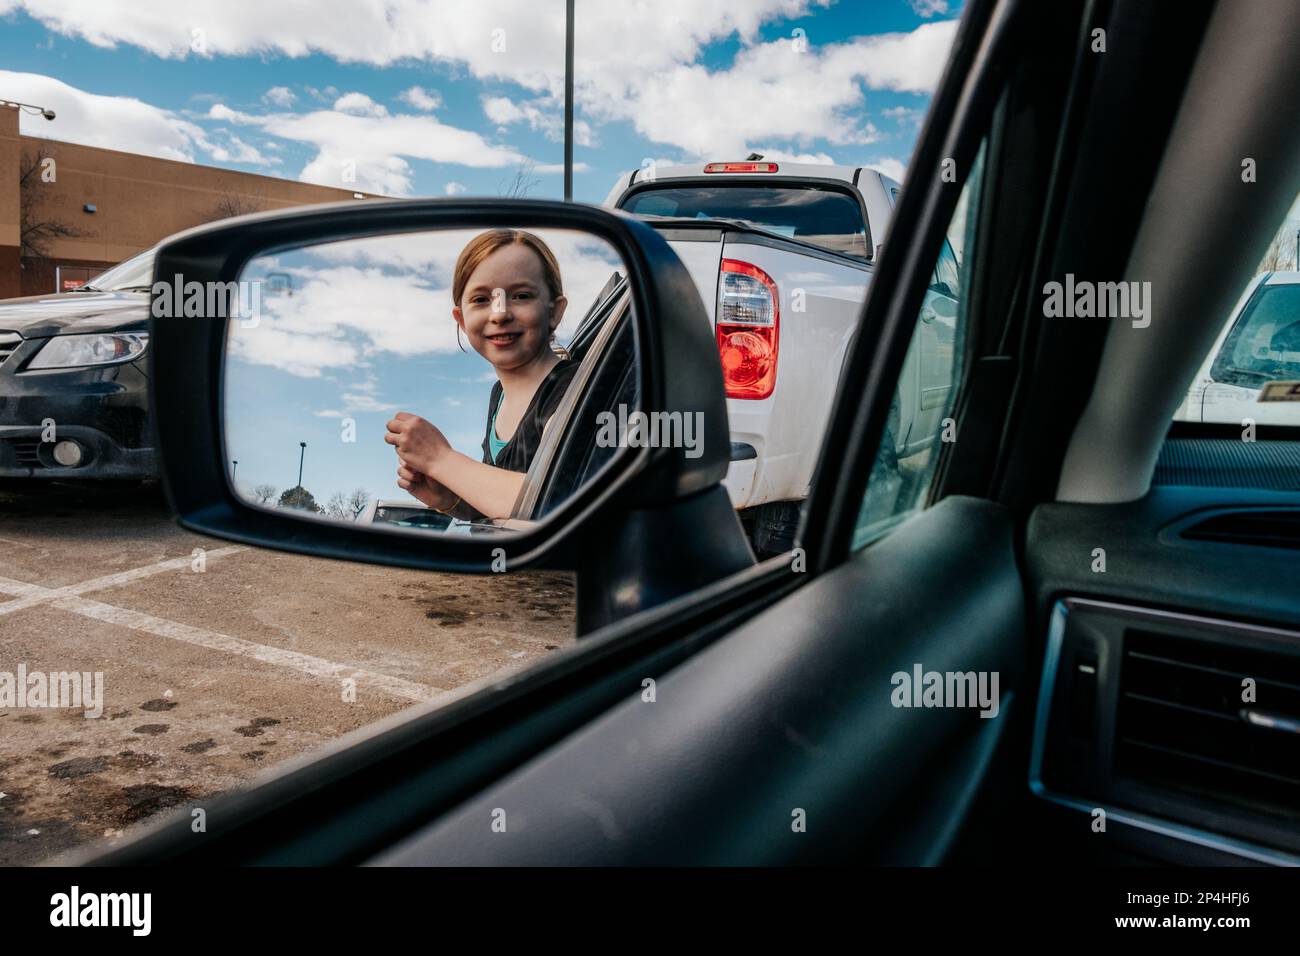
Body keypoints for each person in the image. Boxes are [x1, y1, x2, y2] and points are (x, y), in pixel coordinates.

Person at [385, 229, 580, 522]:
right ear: (461, 320)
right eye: (480, 299)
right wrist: (450, 499)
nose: (499, 314)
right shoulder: (498, 396)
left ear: (555, 311)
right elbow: (502, 508)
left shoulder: (574, 387)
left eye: (522, 295)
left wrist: (441, 459)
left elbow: (556, 501)